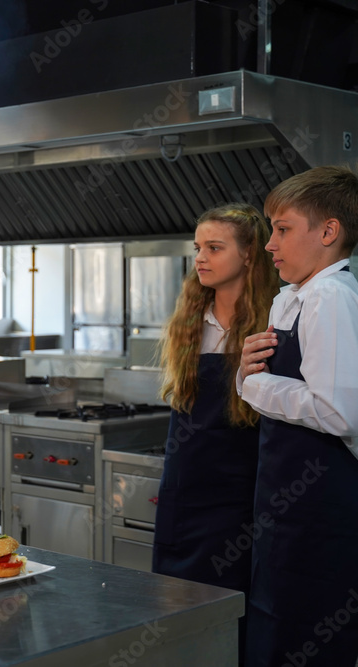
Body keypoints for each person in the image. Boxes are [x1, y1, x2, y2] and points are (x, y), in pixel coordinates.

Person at [238, 166, 358, 667]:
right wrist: (251, 373)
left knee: (304, 637)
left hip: (318, 514)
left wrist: (254, 385)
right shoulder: (295, 296)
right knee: (275, 625)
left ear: (329, 232)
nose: (270, 244)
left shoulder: (331, 296)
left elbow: (339, 411)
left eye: (282, 229)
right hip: (287, 509)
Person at [152, 203, 280, 665]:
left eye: (214, 248)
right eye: (197, 248)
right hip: (186, 492)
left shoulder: (276, 320)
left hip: (246, 498)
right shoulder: (189, 322)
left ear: (249, 255)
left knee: (237, 617)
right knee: (179, 614)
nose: (200, 258)